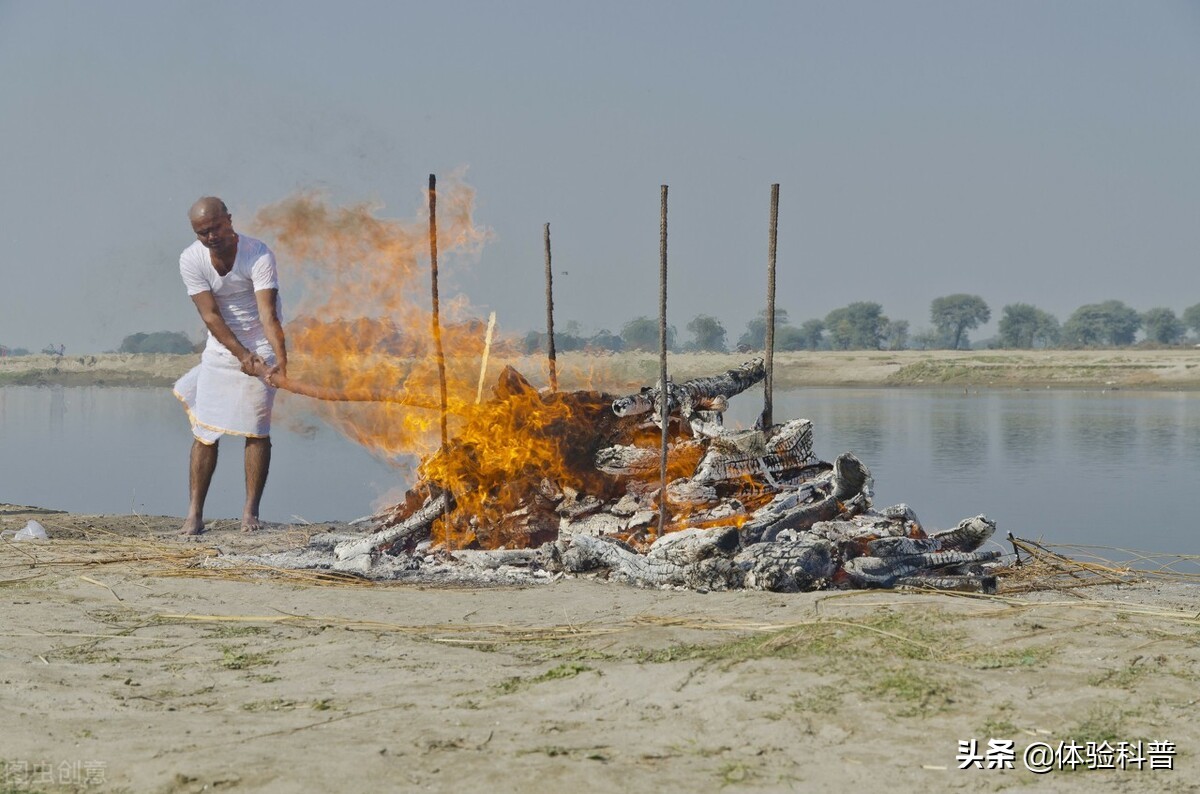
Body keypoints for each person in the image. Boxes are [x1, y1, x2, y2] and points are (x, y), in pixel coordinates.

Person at [172, 197, 287, 535]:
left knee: (257, 429)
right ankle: (194, 513)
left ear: (230, 221)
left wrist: (279, 360)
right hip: (223, 347)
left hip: (262, 341)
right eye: (202, 232)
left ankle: (250, 512)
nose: (211, 237)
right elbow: (210, 315)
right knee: (205, 432)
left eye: (216, 228)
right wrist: (240, 355)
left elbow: (268, 313)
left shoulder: (258, 253)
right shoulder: (190, 259)